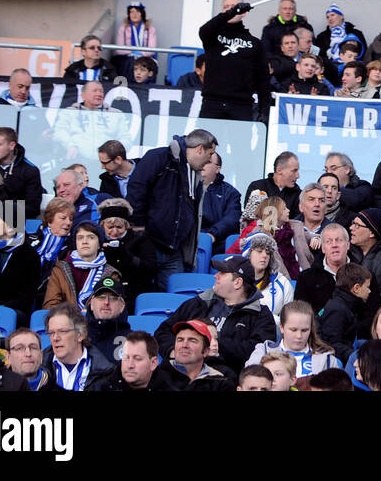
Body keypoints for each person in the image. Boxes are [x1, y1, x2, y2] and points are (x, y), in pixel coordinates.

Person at [126, 128, 218, 290]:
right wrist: (138, 226)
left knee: (173, 299)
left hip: (174, 249)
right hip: (148, 243)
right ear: (199, 149)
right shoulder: (158, 157)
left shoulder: (195, 174)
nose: (209, 160)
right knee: (140, 292)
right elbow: (137, 189)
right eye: (210, 154)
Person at [156, 255, 279, 372]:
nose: (216, 276)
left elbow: (260, 350)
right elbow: (163, 331)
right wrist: (172, 351)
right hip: (182, 372)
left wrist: (214, 344)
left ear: (237, 282)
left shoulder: (260, 315)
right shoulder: (200, 302)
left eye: (222, 273)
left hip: (227, 379)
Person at [198, 0, 272, 121]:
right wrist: (232, 12)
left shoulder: (255, 43)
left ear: (244, 13)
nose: (229, 9)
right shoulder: (213, 36)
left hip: (241, 105)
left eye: (234, 6)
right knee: (205, 140)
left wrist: (264, 110)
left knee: (239, 141)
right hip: (212, 103)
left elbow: (263, 79)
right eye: (226, 7)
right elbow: (204, 30)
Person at [245, 299, 342, 377]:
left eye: (304, 330)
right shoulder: (263, 351)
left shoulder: (327, 360)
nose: (299, 336)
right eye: (293, 330)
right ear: (282, 328)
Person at [42, 221, 119, 310]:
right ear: (76, 243)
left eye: (91, 237)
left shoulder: (111, 274)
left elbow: (112, 308)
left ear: (99, 244)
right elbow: (50, 305)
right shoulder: (60, 269)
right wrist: (75, 317)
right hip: (66, 322)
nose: (85, 242)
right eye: (80, 238)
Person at [40, 303, 115, 390]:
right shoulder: (39, 368)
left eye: (62, 331)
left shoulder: (105, 372)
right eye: (52, 333)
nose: (55, 338)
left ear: (80, 335)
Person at [155, 319, 234, 391]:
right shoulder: (155, 376)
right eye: (180, 340)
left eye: (192, 340)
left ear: (206, 351)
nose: (184, 345)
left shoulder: (221, 383)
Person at [318, 263, 373, 362]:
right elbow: (332, 344)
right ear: (356, 288)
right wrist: (355, 357)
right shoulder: (337, 310)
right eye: (367, 287)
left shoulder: (346, 305)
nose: (369, 291)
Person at [0, 127, 43, 220]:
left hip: (15, 225)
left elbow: (33, 208)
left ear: (12, 145)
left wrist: (6, 210)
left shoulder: (30, 171)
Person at [244, 232, 294, 324]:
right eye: (259, 251)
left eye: (268, 252)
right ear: (248, 254)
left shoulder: (282, 283)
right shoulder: (235, 280)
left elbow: (289, 321)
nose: (264, 255)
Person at [244, 151, 302, 216]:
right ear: (279, 170)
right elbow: (250, 217)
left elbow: (297, 222)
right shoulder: (257, 187)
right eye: (294, 171)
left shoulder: (298, 195)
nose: (298, 176)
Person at [114, 1, 157, 76]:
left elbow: (152, 50)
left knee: (143, 65)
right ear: (129, 14)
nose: (134, 14)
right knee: (129, 63)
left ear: (142, 14)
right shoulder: (123, 29)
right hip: (127, 58)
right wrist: (133, 53)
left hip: (145, 58)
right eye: (132, 12)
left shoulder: (150, 29)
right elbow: (119, 50)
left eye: (137, 11)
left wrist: (139, 54)